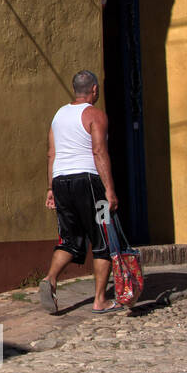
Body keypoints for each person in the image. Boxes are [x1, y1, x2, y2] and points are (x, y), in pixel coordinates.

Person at [39, 70, 120, 315]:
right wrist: (110, 190)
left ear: (75, 89)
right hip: (89, 182)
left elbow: (51, 154)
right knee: (103, 238)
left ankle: (51, 278)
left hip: (62, 181)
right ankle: (99, 300)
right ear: (94, 89)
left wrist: (51, 188)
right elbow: (98, 152)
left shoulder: (58, 117)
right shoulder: (95, 115)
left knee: (70, 240)